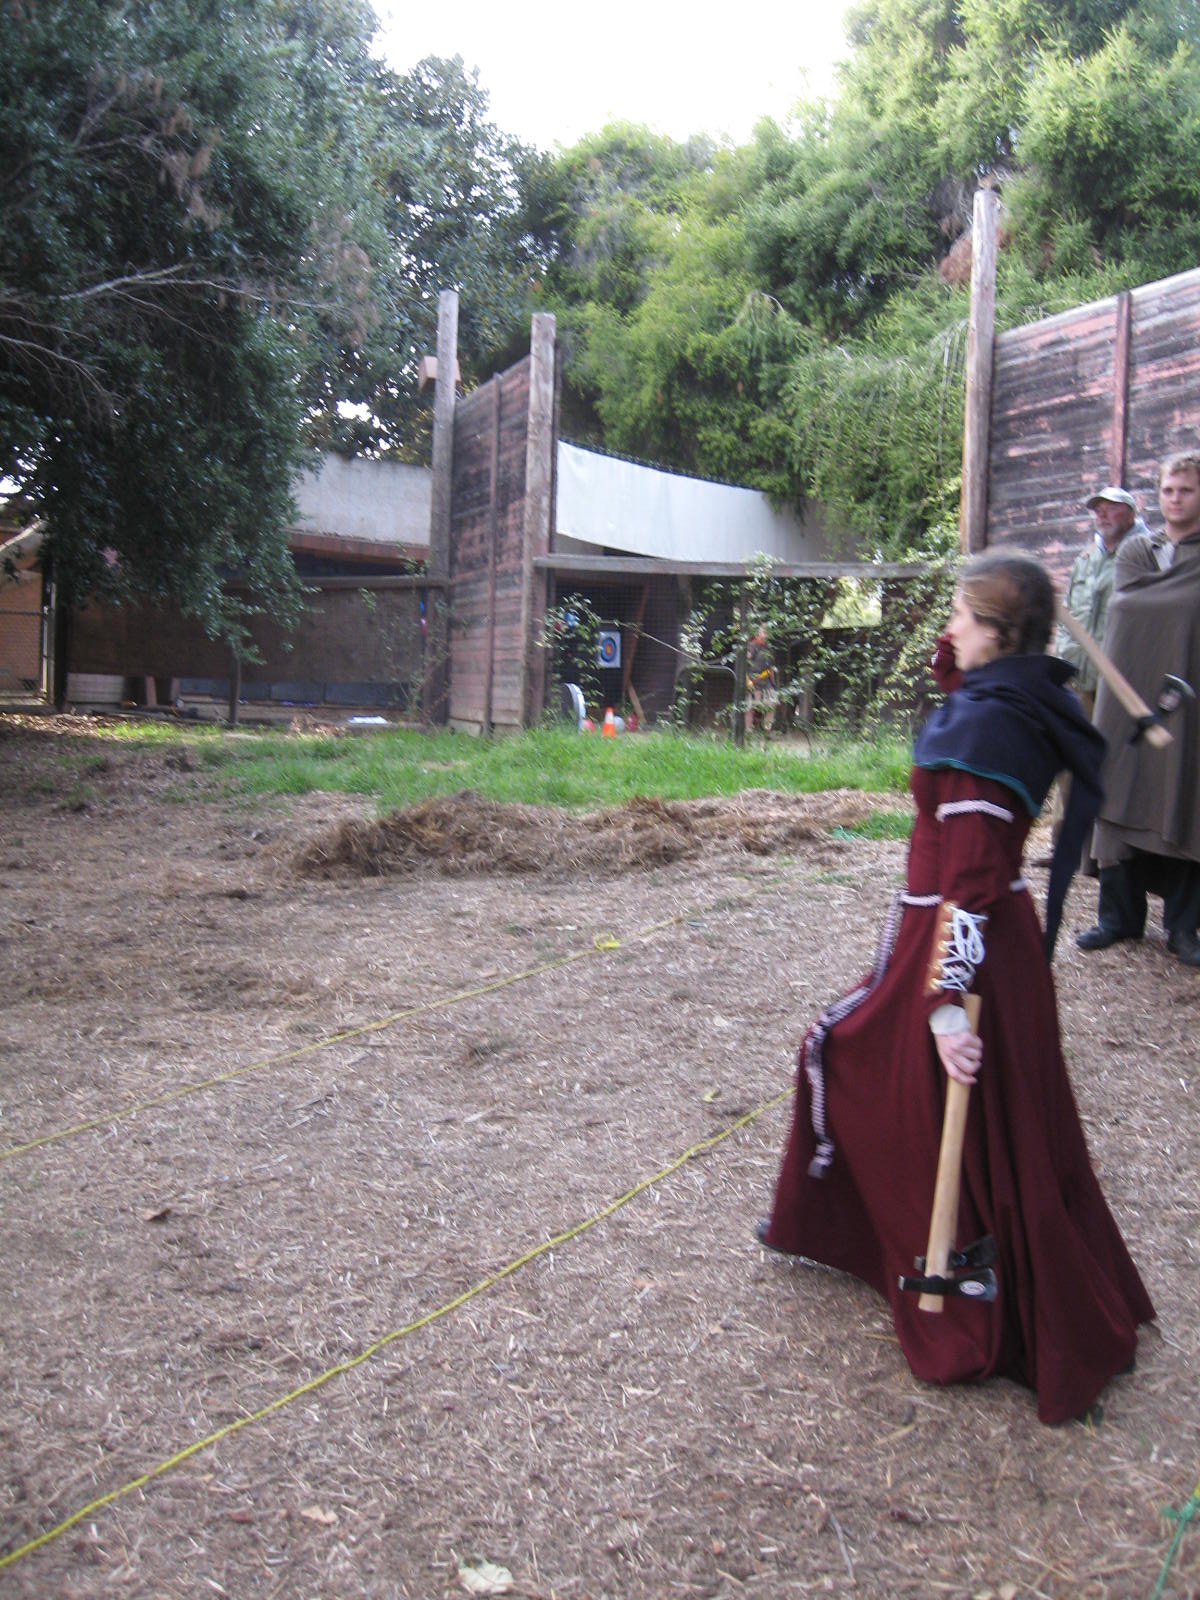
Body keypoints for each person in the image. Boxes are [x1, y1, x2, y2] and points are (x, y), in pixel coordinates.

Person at [758, 552, 1154, 1427]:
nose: (949, 630)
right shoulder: (1011, 700)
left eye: (962, 615)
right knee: (959, 1106)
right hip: (971, 937)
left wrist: (942, 1006)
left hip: (962, 944)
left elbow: (972, 879)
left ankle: (968, 1292)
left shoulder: (989, 729)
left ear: (1001, 634)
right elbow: (961, 693)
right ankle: (891, 1245)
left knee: (864, 1062)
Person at [1077, 451, 1200, 966]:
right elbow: (1127, 612)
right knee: (1118, 791)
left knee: (1187, 799)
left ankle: (1184, 928)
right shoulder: (1135, 550)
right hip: (1126, 698)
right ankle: (1118, 918)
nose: (1175, 499)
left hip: (1188, 700)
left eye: (1186, 490)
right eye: (1169, 490)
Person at [745, 624, 778, 735]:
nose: (766, 635)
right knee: (751, 706)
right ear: (758, 633)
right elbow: (744, 662)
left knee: (771, 705)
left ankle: (768, 731)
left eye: (767, 632)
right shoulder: (752, 646)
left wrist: (774, 684)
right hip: (753, 681)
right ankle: (748, 731)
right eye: (764, 632)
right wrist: (746, 679)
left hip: (766, 681)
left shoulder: (768, 648)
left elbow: (771, 667)